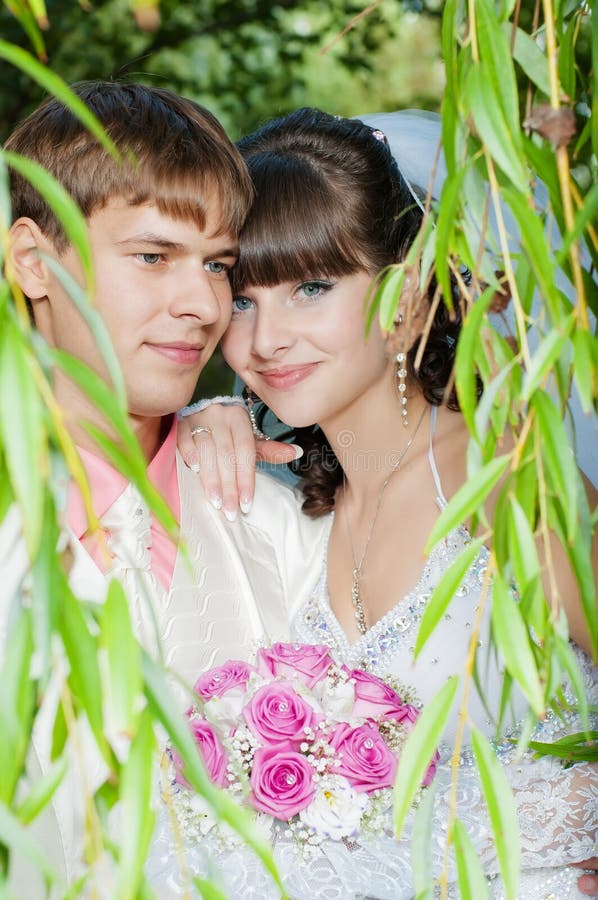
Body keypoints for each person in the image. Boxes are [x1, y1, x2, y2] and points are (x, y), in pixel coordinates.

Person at [174, 108, 597, 898]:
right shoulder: (294, 507)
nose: (266, 340)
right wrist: (192, 424)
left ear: (405, 301)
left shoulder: (504, 477)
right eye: (243, 299)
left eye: (311, 287)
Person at [1, 83, 326, 895]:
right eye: (153, 257)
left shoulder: (275, 521)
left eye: (218, 265)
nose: (204, 305)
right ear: (32, 262)